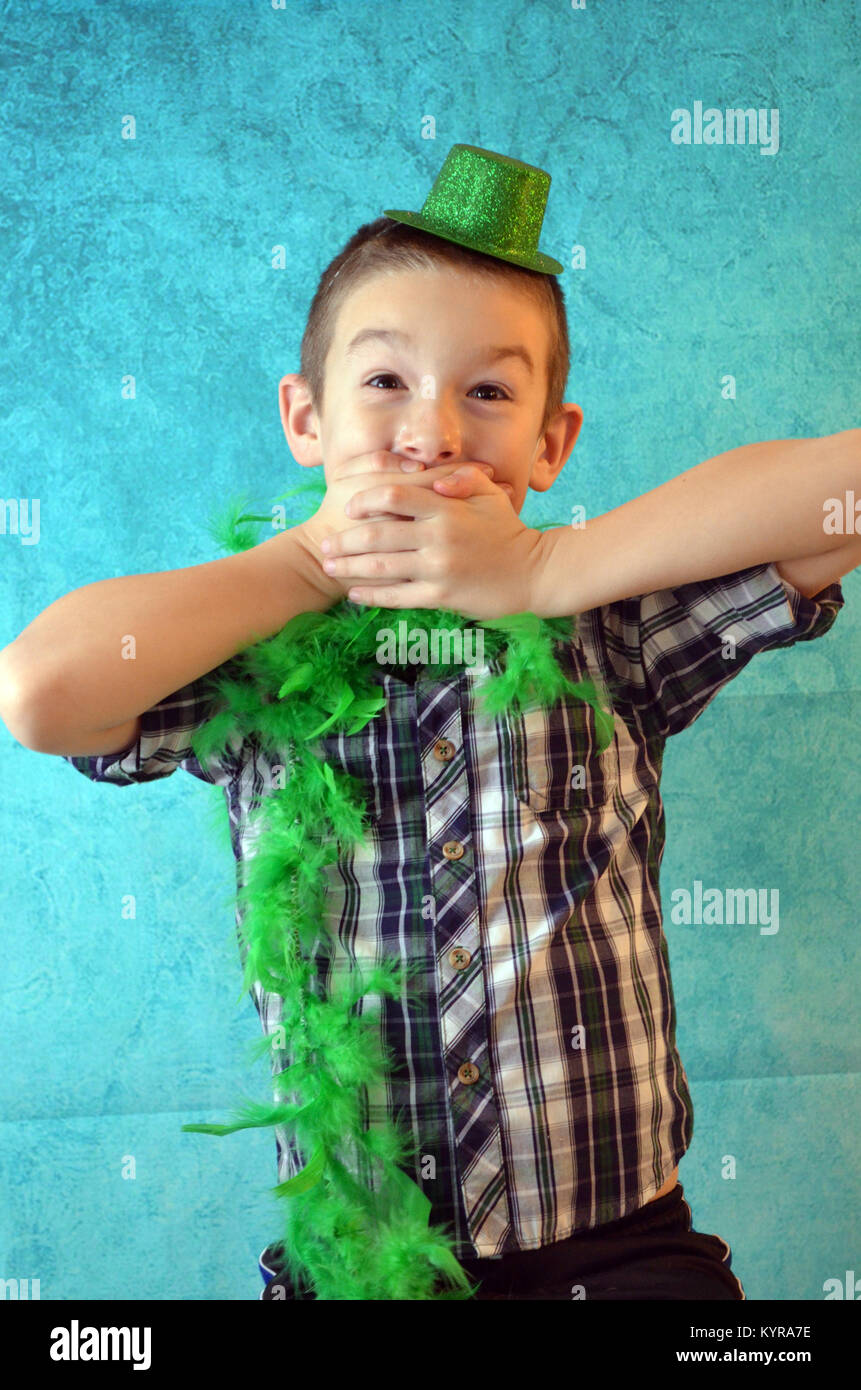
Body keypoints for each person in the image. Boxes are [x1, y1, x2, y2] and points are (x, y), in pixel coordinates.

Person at [0, 146, 854, 1301]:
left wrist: (553, 566)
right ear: (305, 418)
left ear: (552, 445)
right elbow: (40, 693)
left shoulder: (612, 633)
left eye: (490, 392)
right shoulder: (250, 660)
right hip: (354, 1269)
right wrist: (303, 562)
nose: (434, 431)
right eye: (386, 382)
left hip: (617, 1252)